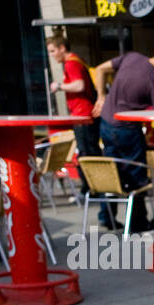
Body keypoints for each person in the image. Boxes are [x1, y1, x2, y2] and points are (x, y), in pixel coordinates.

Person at [90, 39, 154, 232]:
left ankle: (107, 218)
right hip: (127, 131)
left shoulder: (131, 57)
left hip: (106, 123)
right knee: (137, 177)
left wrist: (101, 97)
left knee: (111, 173)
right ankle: (138, 223)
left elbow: (100, 69)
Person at [45, 34, 100, 192]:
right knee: (90, 150)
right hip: (84, 113)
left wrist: (59, 86)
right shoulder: (77, 61)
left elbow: (79, 85)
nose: (52, 55)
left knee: (86, 152)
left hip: (82, 114)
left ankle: (90, 188)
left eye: (53, 50)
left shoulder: (71, 63)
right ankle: (94, 186)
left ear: (62, 48)